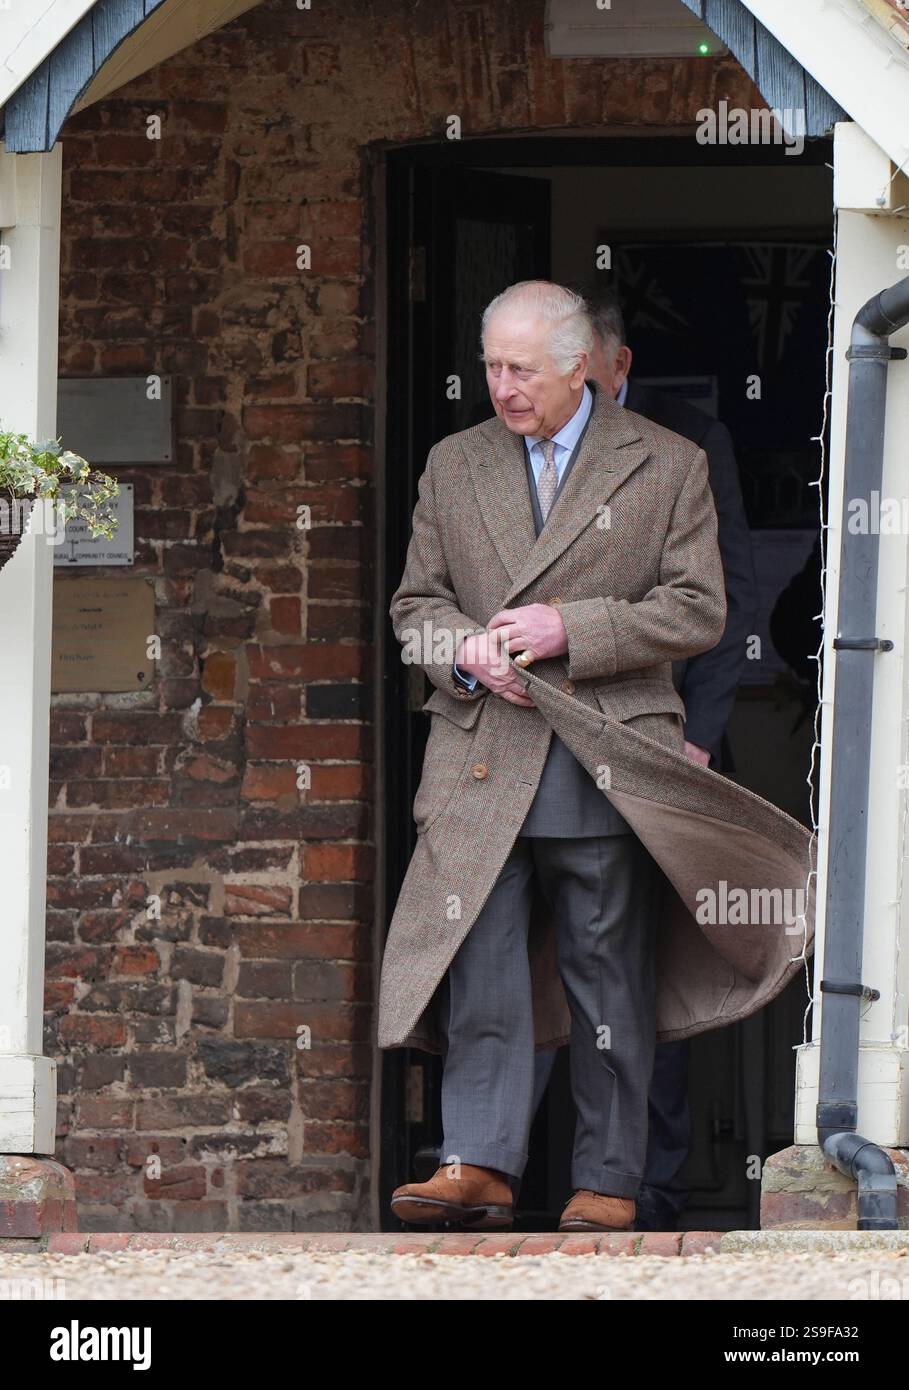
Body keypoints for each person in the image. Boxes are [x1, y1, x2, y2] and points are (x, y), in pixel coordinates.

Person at [382, 280, 727, 1233]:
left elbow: (698, 613)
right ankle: (477, 1163)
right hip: (480, 754)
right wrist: (460, 651)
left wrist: (567, 625)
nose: (500, 387)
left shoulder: (665, 463)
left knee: (604, 969)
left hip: (602, 754)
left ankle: (609, 1180)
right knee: (479, 963)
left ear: (581, 366)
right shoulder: (454, 464)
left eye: (520, 369)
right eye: (491, 366)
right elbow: (413, 610)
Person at [524, 286, 759, 1231]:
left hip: (670, 745)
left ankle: (649, 1183)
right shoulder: (507, 456)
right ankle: (524, 1172)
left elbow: (722, 598)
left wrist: (697, 736)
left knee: (642, 962)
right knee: (531, 957)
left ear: (612, 367)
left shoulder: (688, 448)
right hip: (531, 749)